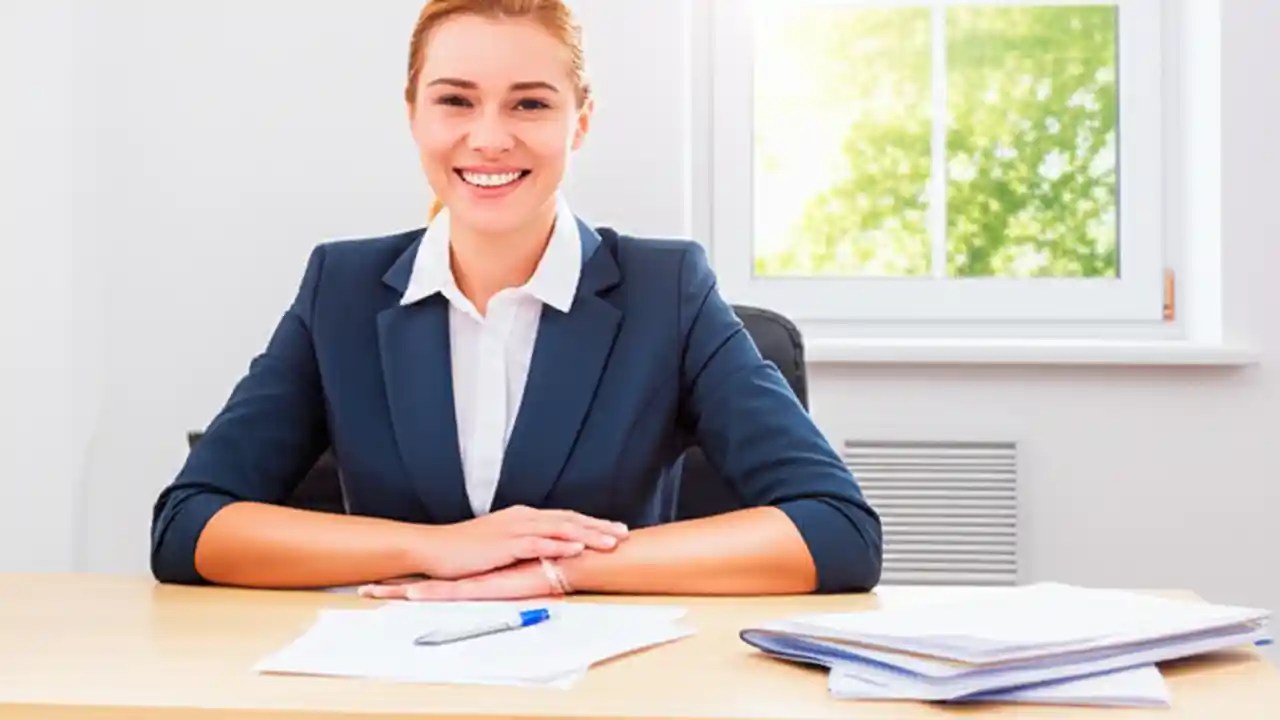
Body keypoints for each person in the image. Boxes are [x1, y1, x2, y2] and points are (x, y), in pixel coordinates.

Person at [150, 0, 882, 601]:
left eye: (529, 103)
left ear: (580, 120)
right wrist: (440, 552)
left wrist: (553, 570)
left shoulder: (669, 291)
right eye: (455, 101)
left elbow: (837, 531)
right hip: (394, 682)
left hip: (608, 685)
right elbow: (189, 527)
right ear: (414, 115)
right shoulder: (340, 289)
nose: (489, 137)